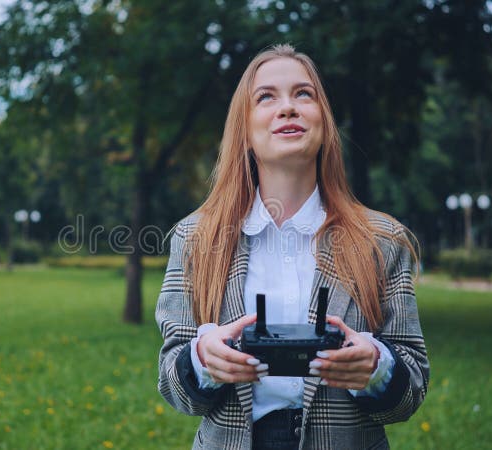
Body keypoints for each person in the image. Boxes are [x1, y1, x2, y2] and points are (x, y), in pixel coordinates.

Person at [156, 44, 429, 450]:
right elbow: (173, 384)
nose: (288, 107)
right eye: (266, 97)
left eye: (304, 94)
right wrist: (202, 361)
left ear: (325, 124)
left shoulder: (383, 240)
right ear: (244, 131)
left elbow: (411, 389)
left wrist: (376, 368)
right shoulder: (195, 239)